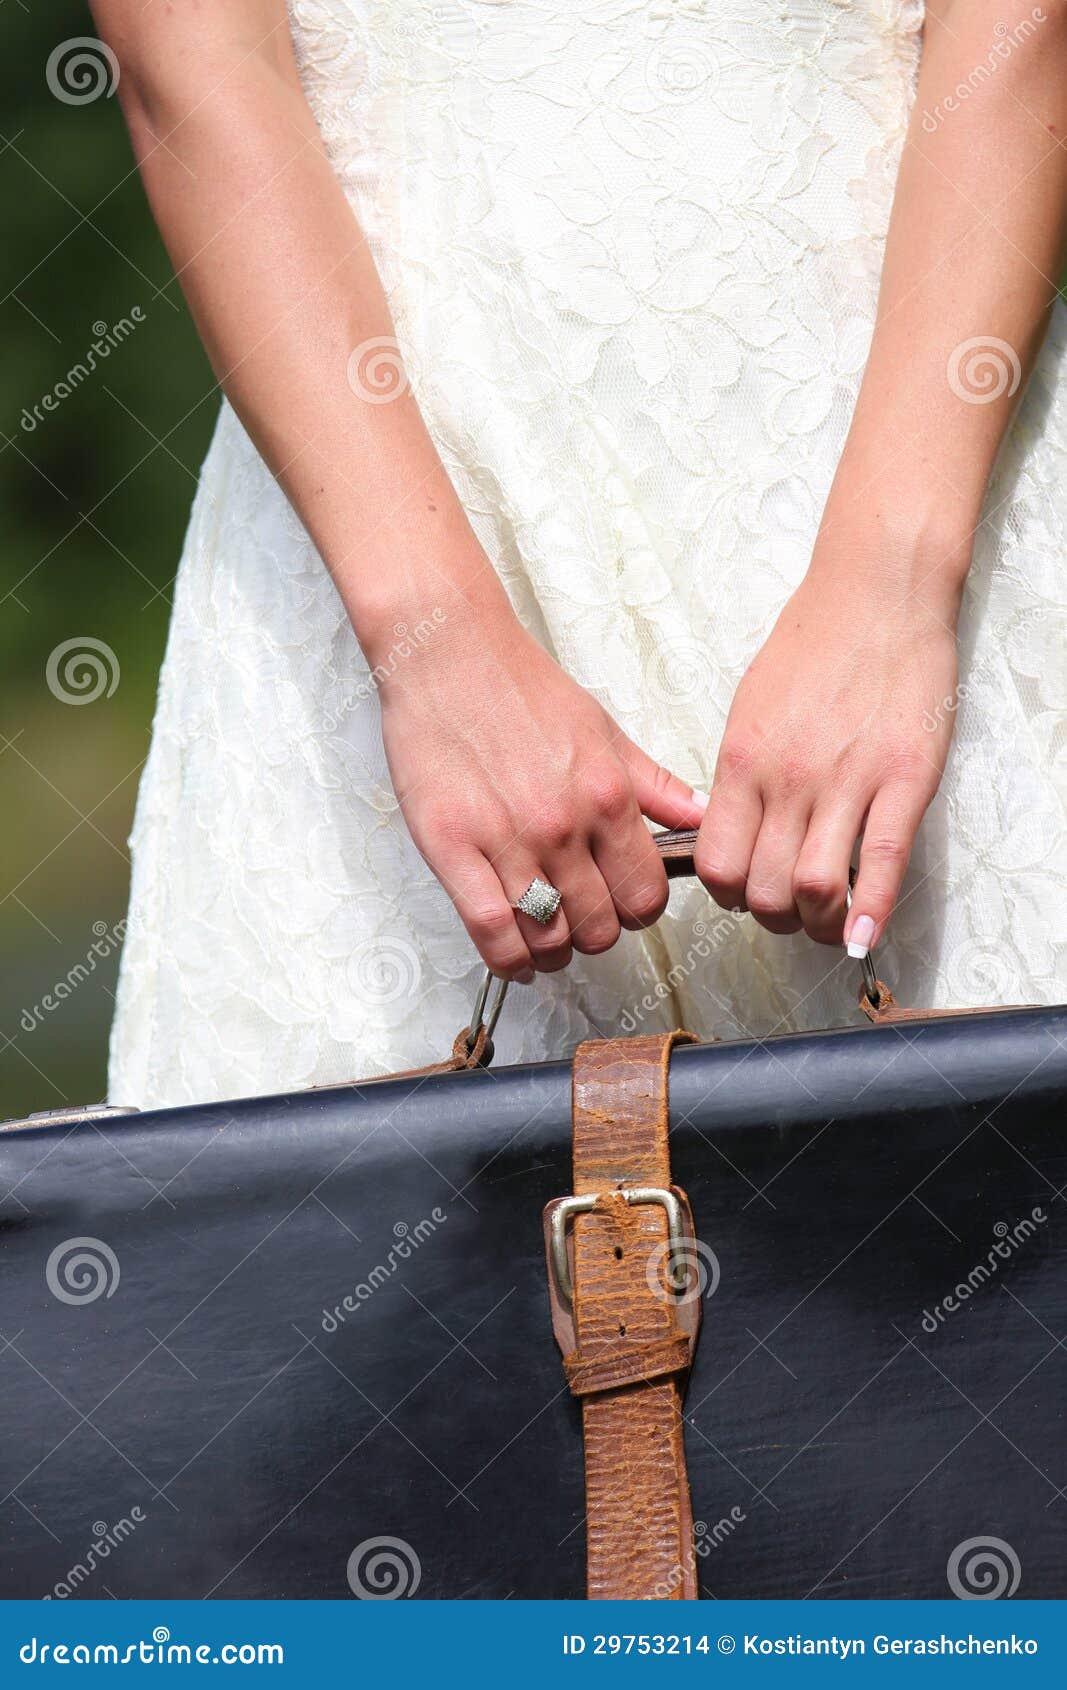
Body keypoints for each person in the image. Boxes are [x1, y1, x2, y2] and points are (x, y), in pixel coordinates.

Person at [93, 0, 1067, 1108]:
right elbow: (190, 61)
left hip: (921, 475)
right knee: (368, 1244)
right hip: (376, 521)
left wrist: (891, 580)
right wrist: (431, 642)